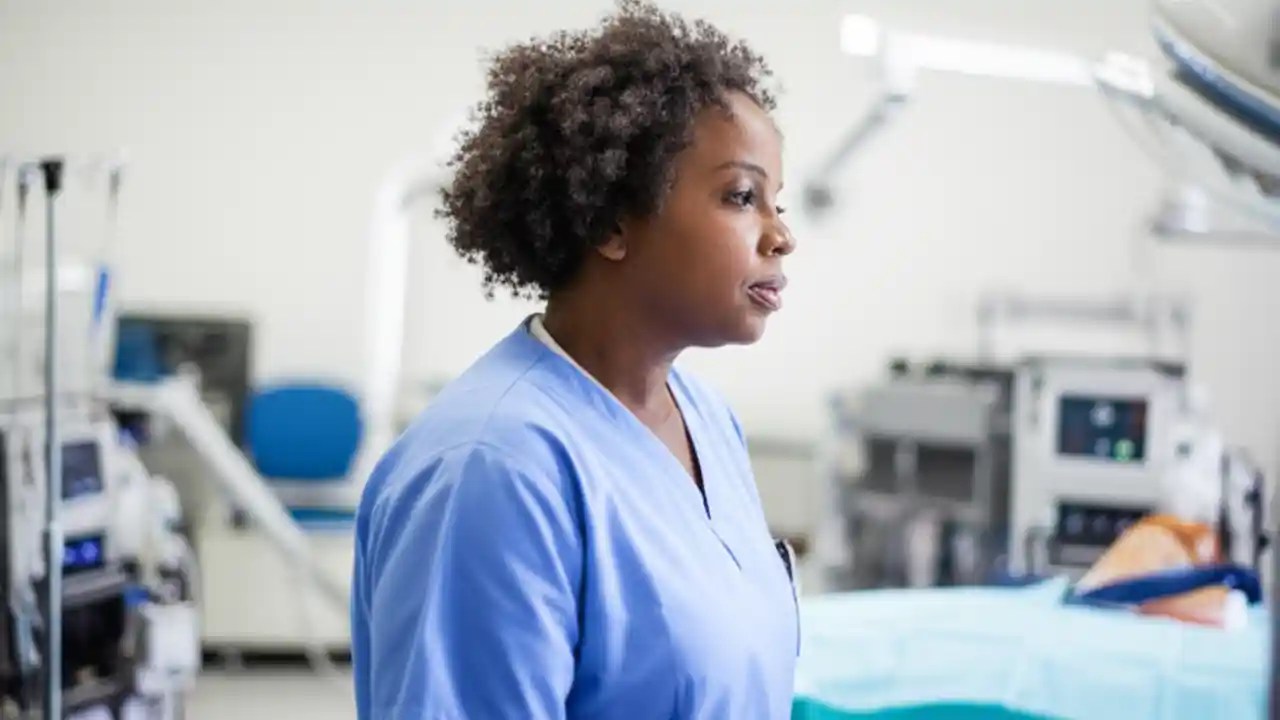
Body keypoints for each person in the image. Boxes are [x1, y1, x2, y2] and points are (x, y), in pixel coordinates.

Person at [350, 1, 799, 717]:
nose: (781, 236)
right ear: (610, 223)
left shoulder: (710, 423)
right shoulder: (494, 470)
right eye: (742, 196)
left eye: (779, 202)